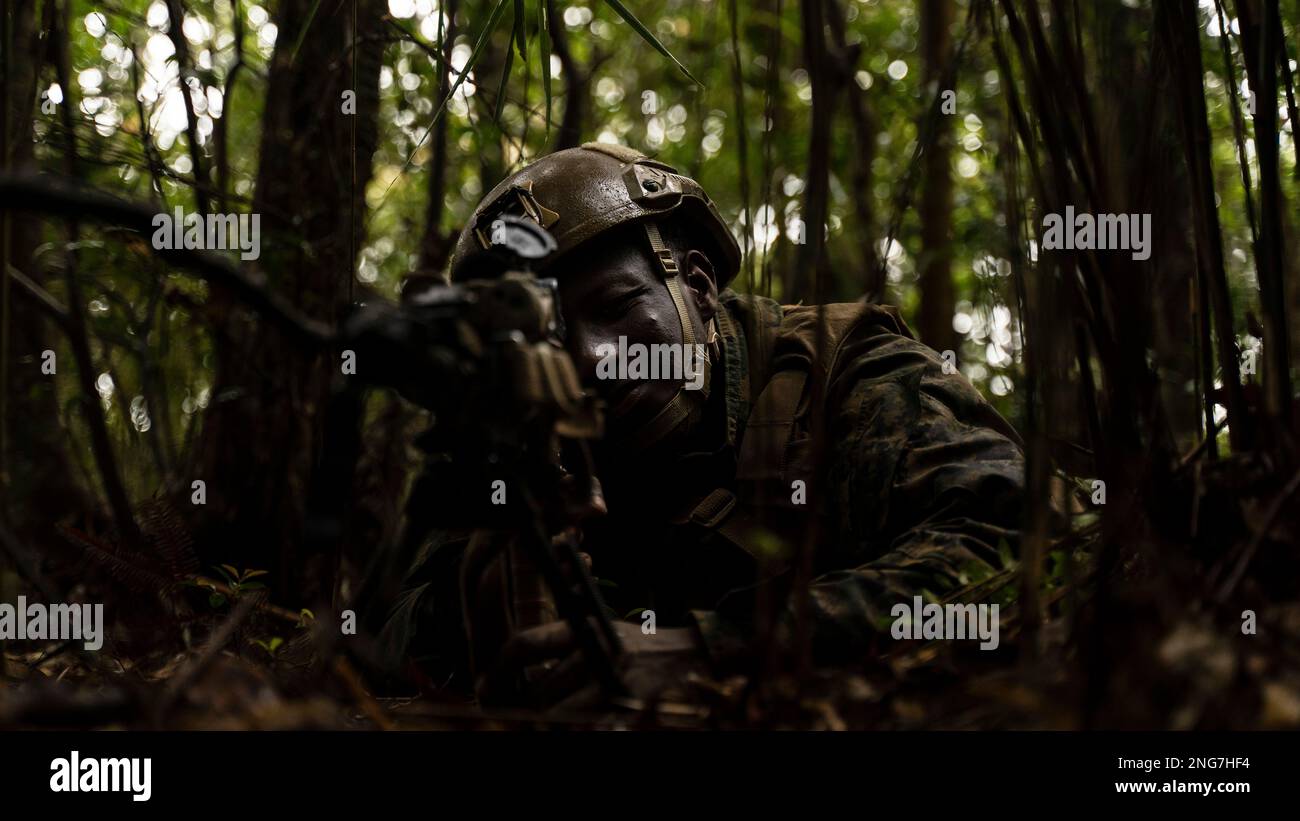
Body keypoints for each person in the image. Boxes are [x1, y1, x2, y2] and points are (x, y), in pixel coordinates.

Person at [378, 142, 1025, 709]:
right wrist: (464, 614)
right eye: (549, 337)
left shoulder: (842, 371)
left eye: (615, 307)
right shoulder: (519, 440)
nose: (590, 359)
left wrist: (712, 649)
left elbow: (1014, 540)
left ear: (697, 284)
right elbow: (380, 633)